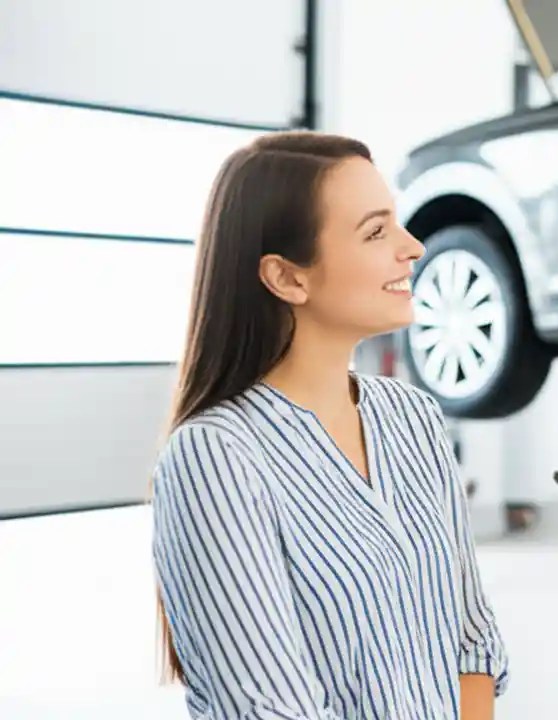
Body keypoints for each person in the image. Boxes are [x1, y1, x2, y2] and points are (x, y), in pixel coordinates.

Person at [150, 131, 508, 720]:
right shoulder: (216, 457)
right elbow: (265, 708)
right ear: (288, 278)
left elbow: (472, 643)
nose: (413, 246)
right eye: (375, 231)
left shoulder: (411, 418)